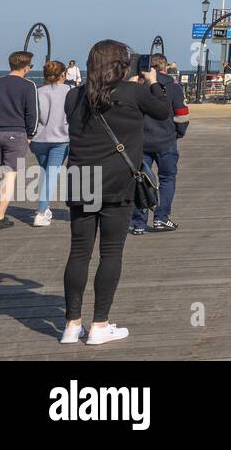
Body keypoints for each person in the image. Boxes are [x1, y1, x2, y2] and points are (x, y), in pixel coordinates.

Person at [63, 40, 171, 345]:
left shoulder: (73, 96)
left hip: (81, 179)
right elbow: (163, 112)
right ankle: (99, 324)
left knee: (79, 252)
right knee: (110, 253)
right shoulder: (134, 92)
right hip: (117, 181)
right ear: (121, 65)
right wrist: (152, 83)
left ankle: (72, 324)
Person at [129, 54, 187, 236]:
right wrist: (178, 132)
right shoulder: (173, 86)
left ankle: (138, 222)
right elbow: (182, 113)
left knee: (140, 180)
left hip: (140, 140)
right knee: (167, 178)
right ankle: (161, 217)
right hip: (166, 139)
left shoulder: (136, 85)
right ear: (164, 67)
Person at [0, 51, 38, 230]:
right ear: (26, 67)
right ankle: (0, 216)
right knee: (10, 175)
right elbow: (32, 113)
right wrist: (31, 135)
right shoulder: (28, 86)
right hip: (16, 133)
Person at [32, 60, 73, 227]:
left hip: (38, 140)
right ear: (63, 74)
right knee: (51, 175)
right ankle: (40, 213)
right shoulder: (70, 91)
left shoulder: (38, 91)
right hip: (60, 139)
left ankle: (45, 206)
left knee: (45, 173)